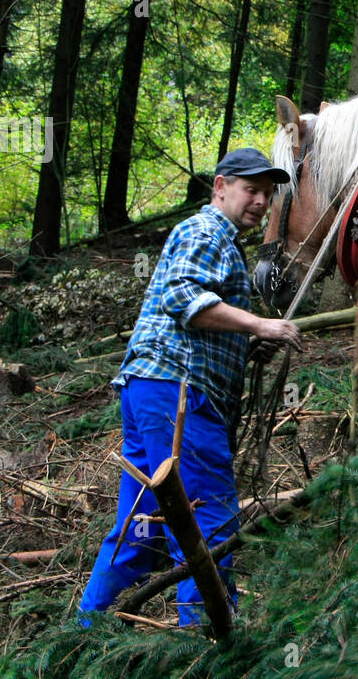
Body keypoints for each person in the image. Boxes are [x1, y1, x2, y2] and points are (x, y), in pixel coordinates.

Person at [78, 147, 302, 627]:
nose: (261, 201)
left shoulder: (220, 241)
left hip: (150, 389)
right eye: (251, 189)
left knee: (139, 529)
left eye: (267, 193)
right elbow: (187, 300)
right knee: (208, 520)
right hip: (180, 394)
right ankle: (205, 648)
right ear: (220, 187)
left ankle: (84, 632)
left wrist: (247, 343)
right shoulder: (206, 230)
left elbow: (198, 320)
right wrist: (260, 325)